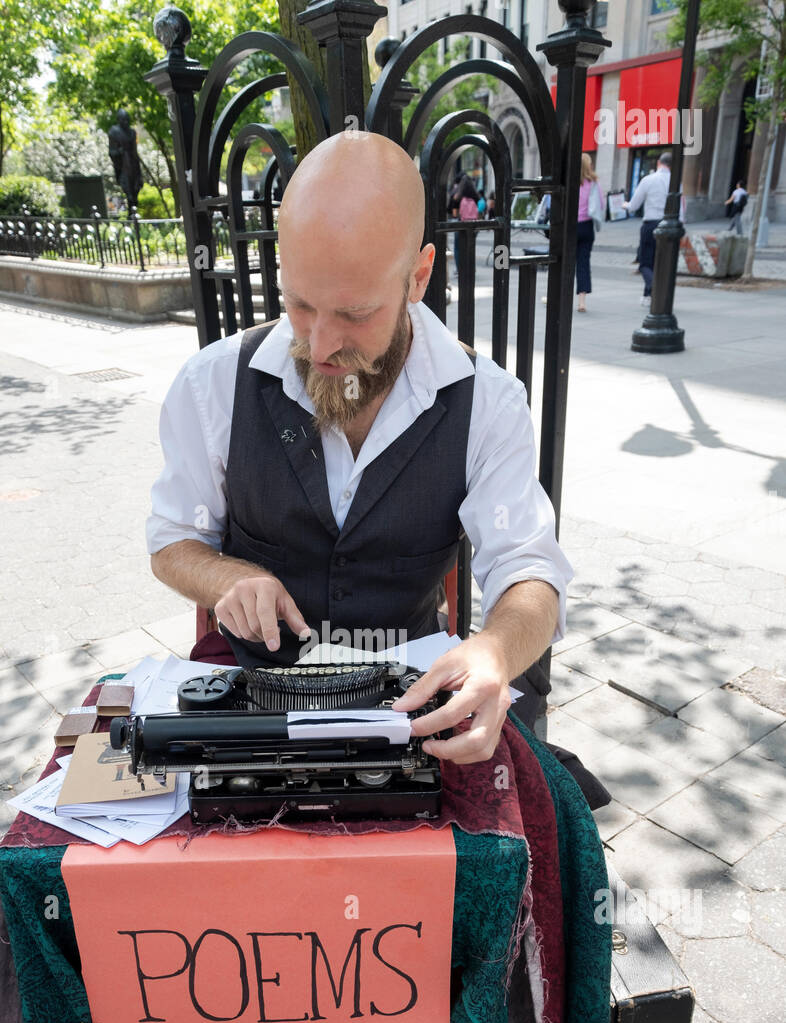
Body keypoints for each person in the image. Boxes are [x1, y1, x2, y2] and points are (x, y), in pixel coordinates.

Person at [146, 131, 573, 767]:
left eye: (354, 314)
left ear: (418, 277)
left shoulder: (487, 401)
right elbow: (171, 541)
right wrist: (225, 574)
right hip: (256, 694)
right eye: (298, 303)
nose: (320, 346)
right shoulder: (212, 385)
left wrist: (493, 651)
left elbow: (531, 572)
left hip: (411, 697)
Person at [622, 151, 684, 307]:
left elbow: (634, 205)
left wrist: (625, 205)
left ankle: (653, 288)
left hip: (651, 224)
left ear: (658, 163)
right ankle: (648, 295)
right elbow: (682, 209)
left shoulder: (648, 180)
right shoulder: (677, 183)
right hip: (670, 225)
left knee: (645, 263)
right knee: (660, 263)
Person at [575, 153, 603, 313]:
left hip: (571, 227)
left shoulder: (571, 182)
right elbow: (601, 204)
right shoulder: (593, 183)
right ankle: (582, 302)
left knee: (566, 263)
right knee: (583, 263)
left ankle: (560, 295)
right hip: (587, 226)